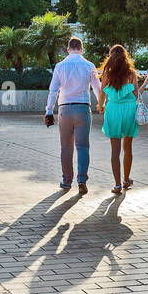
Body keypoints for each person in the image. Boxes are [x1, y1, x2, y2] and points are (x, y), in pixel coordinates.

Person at [44, 36, 102, 194]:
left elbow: (54, 90)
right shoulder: (89, 65)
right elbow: (98, 88)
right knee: (83, 147)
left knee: (66, 147)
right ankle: (82, 180)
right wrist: (102, 105)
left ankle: (66, 181)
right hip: (83, 109)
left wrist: (49, 111)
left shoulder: (60, 66)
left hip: (65, 110)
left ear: (68, 49)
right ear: (81, 49)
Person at [96, 44, 148, 195]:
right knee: (128, 148)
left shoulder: (107, 72)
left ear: (111, 57)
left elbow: (102, 93)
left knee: (115, 151)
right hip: (129, 111)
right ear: (125, 57)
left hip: (113, 110)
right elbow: (135, 95)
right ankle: (126, 180)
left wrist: (100, 106)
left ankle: (117, 185)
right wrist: (146, 82)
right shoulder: (131, 73)